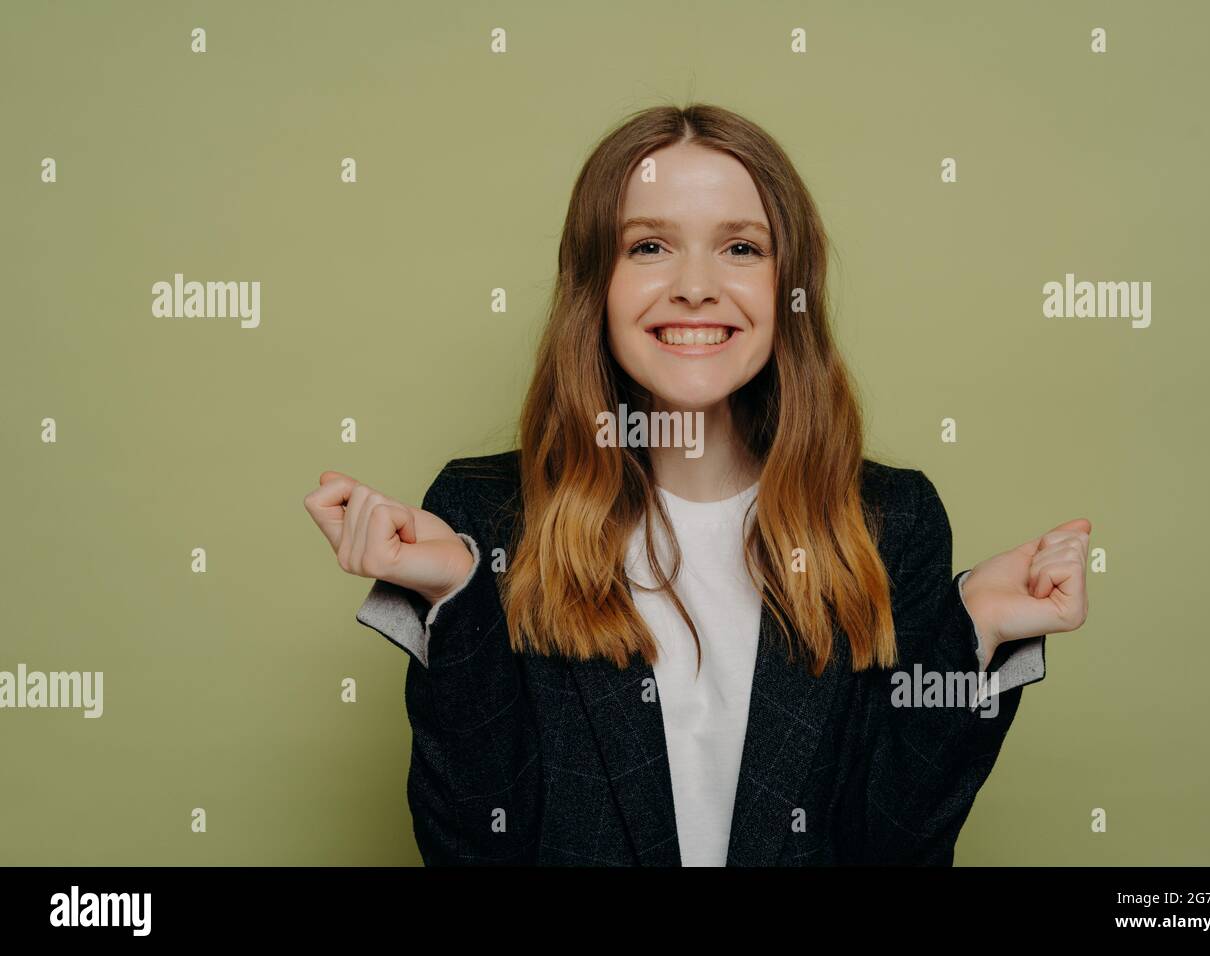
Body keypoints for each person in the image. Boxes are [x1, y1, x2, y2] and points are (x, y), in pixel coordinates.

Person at [303, 103, 1090, 866]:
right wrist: (456, 601)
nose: (695, 286)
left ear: (791, 288)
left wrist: (972, 638)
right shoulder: (484, 517)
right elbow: (475, 850)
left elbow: (891, 847)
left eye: (741, 248)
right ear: (595, 285)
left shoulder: (893, 522)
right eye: (649, 247)